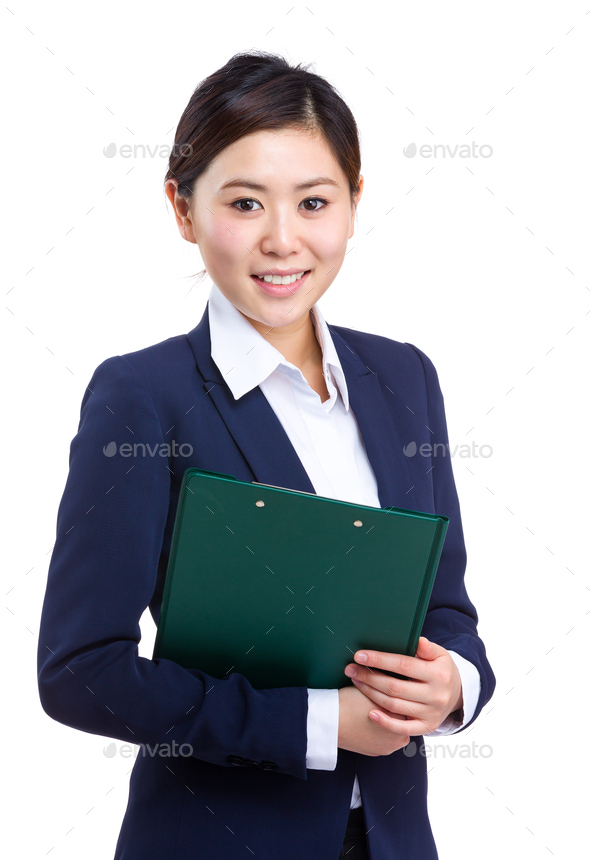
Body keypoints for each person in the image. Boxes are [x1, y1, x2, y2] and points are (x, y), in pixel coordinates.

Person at [37, 50, 496, 860]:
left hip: (392, 841)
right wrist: (318, 724)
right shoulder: (142, 396)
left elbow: (445, 607)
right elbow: (82, 671)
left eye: (314, 201)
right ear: (182, 209)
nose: (283, 240)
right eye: (244, 202)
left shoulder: (403, 378)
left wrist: (456, 684)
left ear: (355, 203)